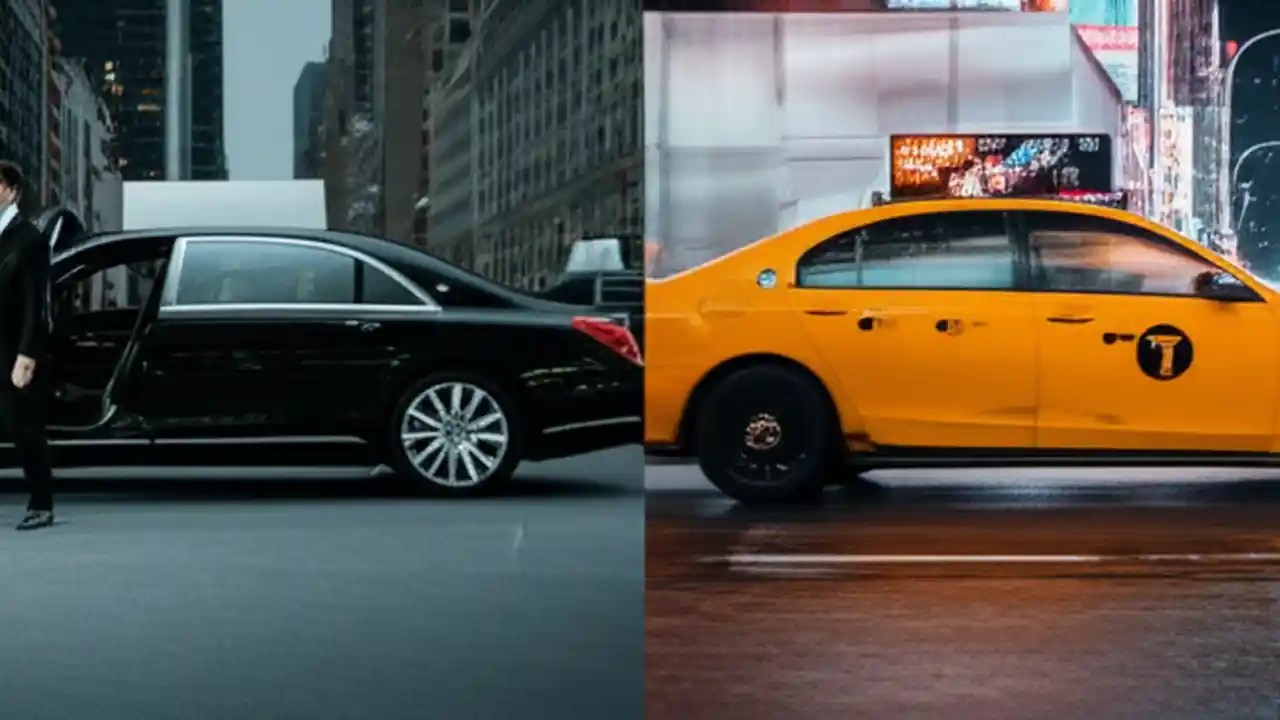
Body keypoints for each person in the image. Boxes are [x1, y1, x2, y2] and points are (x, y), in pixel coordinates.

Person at [0, 161, 54, 530]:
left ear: (12, 191)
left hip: (12, 349)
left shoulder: (29, 238)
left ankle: (41, 504)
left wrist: (27, 354)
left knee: (24, 428)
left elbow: (38, 304)